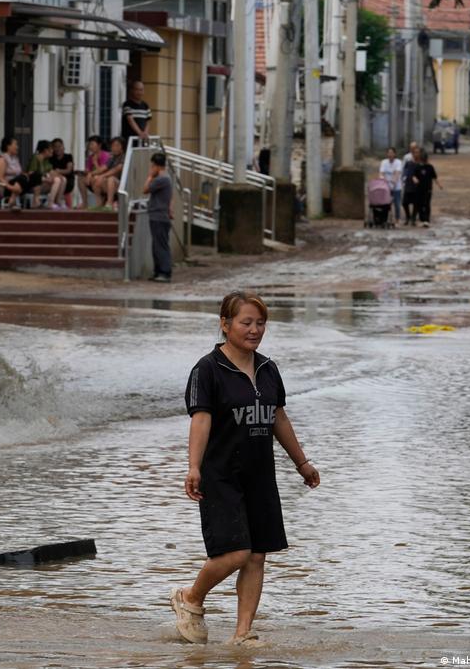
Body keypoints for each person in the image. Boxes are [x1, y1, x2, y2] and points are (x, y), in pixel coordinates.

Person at [173, 291, 320, 647]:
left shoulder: (269, 369)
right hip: (221, 475)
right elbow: (201, 421)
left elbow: (278, 418)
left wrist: (302, 462)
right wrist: (193, 467)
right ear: (225, 325)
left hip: (260, 475)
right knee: (235, 553)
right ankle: (190, 598)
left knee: (256, 556)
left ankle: (243, 633)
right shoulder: (207, 369)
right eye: (246, 323)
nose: (254, 330)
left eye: (260, 323)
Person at [145, 152, 174, 282]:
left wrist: (150, 176)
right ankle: (158, 271)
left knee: (161, 245)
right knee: (156, 245)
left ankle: (165, 271)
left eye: (152, 166)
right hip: (158, 215)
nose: (151, 169)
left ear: (157, 166)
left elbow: (145, 189)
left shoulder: (162, 179)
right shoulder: (166, 179)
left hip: (159, 216)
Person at [26, 140, 67, 209]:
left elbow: (51, 172)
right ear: (45, 150)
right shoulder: (36, 158)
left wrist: (58, 175)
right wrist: (46, 179)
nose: (53, 150)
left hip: (44, 184)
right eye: (51, 149)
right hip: (35, 186)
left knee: (63, 179)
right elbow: (31, 174)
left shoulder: (46, 160)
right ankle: (50, 203)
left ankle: (58, 201)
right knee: (57, 180)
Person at [0, 137, 29, 209]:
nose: (17, 147)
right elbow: (0, 178)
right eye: (15, 145)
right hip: (7, 187)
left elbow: (19, 173)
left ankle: (13, 198)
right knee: (22, 178)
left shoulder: (15, 158)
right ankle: (13, 200)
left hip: (18, 186)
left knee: (34, 176)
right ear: (8, 146)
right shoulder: (2, 159)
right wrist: (12, 188)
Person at [410, 150, 442, 228]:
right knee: (418, 204)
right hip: (419, 189)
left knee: (427, 204)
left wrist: (439, 185)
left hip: (428, 189)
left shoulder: (430, 167)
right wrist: (415, 179)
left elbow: (434, 177)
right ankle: (417, 219)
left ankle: (426, 220)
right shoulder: (417, 167)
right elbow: (413, 176)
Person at [93, 138, 126, 209]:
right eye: (113, 146)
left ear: (122, 147)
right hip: (111, 183)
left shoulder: (125, 156)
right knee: (95, 178)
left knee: (111, 179)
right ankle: (99, 204)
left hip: (123, 185)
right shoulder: (112, 157)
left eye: (117, 146)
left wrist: (102, 176)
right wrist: (91, 174)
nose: (114, 148)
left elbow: (117, 169)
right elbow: (104, 168)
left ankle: (109, 203)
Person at [81, 136, 110, 209]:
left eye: (92, 144)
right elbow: (88, 170)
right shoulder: (91, 157)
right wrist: (86, 172)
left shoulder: (105, 155)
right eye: (89, 145)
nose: (90, 147)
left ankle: (99, 204)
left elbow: (103, 171)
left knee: (96, 178)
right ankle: (85, 203)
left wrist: (95, 162)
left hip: (105, 179)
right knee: (80, 179)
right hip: (94, 178)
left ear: (99, 145)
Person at [121, 81, 152, 145]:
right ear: (132, 90)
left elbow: (148, 121)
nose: (139, 92)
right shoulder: (127, 104)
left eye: (141, 90)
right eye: (137, 90)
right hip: (130, 140)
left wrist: (145, 133)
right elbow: (130, 120)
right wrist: (140, 133)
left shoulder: (145, 105)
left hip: (142, 140)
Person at [379, 147, 404, 225]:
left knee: (397, 203)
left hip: (397, 187)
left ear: (395, 154)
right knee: (385, 204)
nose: (390, 154)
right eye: (389, 153)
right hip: (386, 187)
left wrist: (394, 181)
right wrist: (382, 179)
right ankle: (385, 219)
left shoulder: (398, 162)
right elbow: (381, 173)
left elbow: (397, 173)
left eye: (392, 153)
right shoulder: (384, 162)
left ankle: (397, 218)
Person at [50, 138, 76, 208]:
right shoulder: (51, 158)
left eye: (59, 146)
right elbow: (50, 171)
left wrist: (59, 171)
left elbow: (68, 170)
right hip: (56, 179)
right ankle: (55, 203)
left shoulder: (68, 156)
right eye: (55, 146)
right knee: (57, 182)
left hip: (68, 179)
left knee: (63, 182)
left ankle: (61, 204)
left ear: (63, 147)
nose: (57, 148)